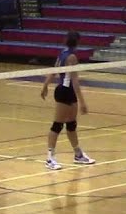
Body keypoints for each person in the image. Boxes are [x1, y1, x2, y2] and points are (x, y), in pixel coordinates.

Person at [40, 31, 95, 170]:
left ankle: (78, 154)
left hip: (68, 92)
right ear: (77, 42)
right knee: (57, 125)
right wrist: (83, 102)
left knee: (71, 124)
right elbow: (75, 81)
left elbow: (54, 71)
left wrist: (45, 86)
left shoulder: (62, 53)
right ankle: (49, 158)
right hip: (65, 92)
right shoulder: (71, 57)